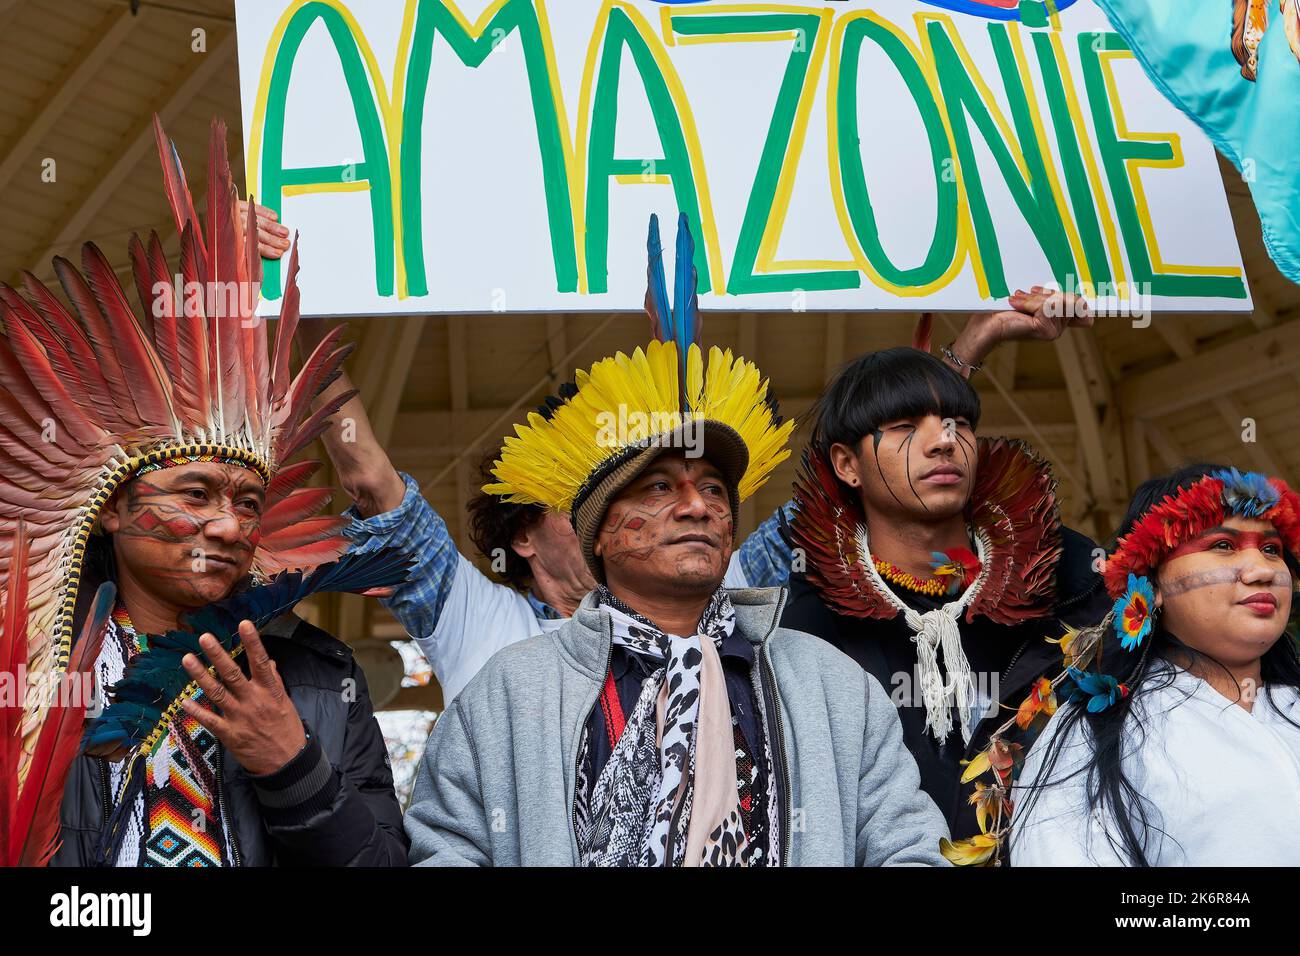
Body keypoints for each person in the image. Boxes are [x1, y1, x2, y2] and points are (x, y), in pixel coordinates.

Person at [252, 202, 1079, 704]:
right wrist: (280, 296)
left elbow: (867, 480)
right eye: (589, 495)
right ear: (524, 537)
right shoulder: (478, 621)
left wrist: (969, 350)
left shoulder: (726, 594)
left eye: (688, 489)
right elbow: (364, 471)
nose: (673, 509)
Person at [0, 118, 408, 867]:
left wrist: (293, 766)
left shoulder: (322, 676)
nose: (227, 525)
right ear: (113, 506)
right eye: (195, 492)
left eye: (249, 503)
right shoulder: (28, 665)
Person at [779, 298, 1118, 852]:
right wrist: (963, 354)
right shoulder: (805, 613)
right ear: (846, 465)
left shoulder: (1065, 573)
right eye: (904, 426)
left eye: (959, 423)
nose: (944, 441)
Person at [1011, 465, 1300, 866]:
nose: (1262, 570)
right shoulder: (1093, 730)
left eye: (1272, 549)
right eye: (1222, 545)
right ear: (1153, 586)